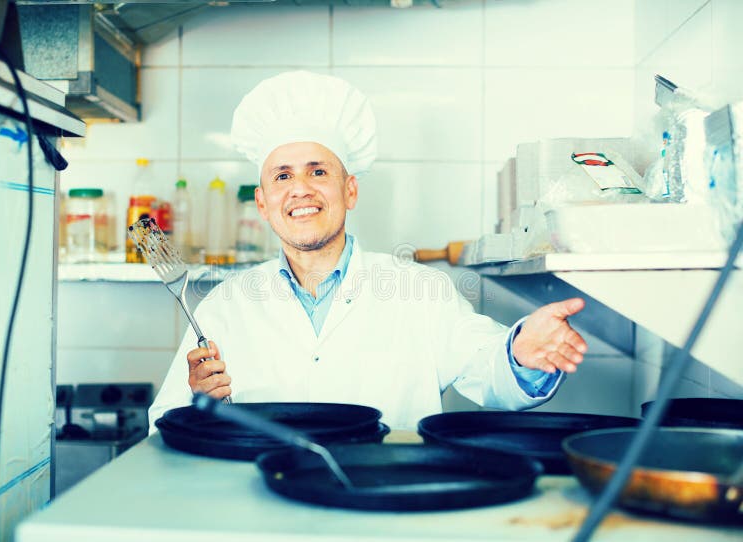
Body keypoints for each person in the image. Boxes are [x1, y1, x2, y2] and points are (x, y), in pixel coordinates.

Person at [149, 71, 588, 432]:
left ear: (350, 190)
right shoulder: (226, 304)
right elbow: (163, 426)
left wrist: (520, 357)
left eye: (318, 171)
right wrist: (197, 402)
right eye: (282, 176)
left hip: (385, 505)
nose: (300, 188)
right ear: (263, 203)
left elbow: (488, 368)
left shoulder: (421, 290)